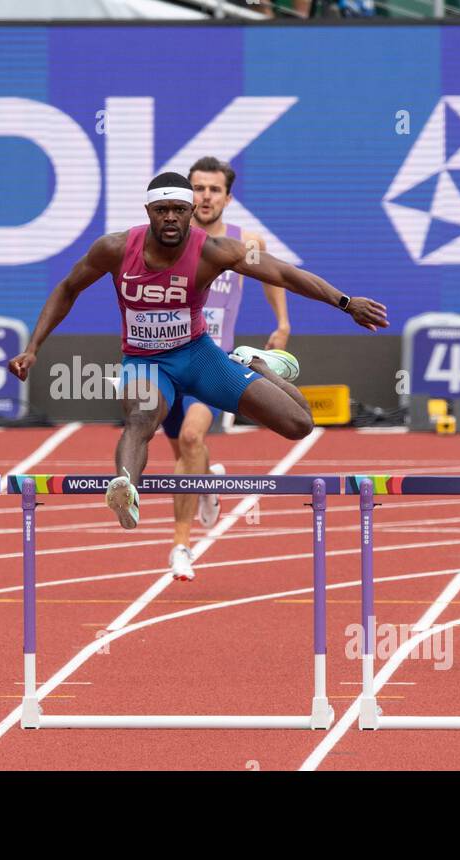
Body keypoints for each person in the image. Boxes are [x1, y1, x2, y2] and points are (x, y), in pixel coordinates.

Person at [8, 172, 388, 530]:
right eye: (162, 211)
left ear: (192, 213)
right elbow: (67, 288)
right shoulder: (115, 248)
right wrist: (33, 348)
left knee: (299, 425)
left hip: (199, 355)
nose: (170, 218)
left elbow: (284, 273)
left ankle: (250, 362)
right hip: (145, 362)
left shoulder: (217, 251)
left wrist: (345, 301)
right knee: (141, 418)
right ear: (148, 212)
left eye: (179, 210)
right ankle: (124, 489)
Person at [162, 156, 293, 583]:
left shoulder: (242, 241)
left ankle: (181, 545)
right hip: (165, 359)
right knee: (184, 453)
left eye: (214, 189)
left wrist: (282, 322)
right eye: (198, 188)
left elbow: (271, 274)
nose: (205, 196)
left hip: (212, 362)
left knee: (192, 436)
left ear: (227, 197)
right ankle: (208, 480)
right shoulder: (170, 240)